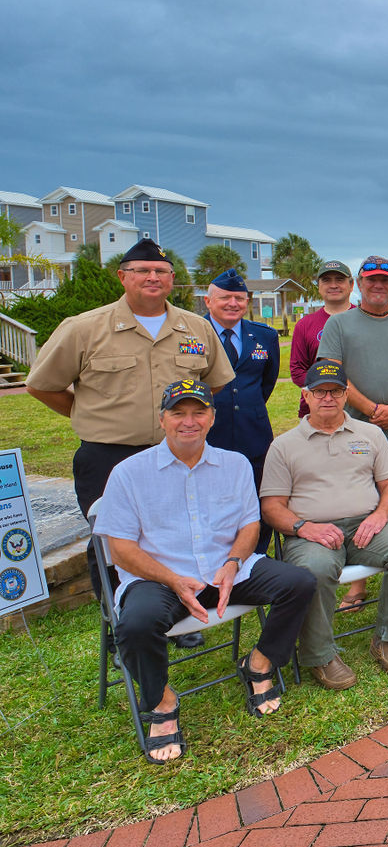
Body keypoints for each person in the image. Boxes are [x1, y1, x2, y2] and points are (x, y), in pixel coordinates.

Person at [95, 379, 315, 762]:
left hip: (225, 572)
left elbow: (250, 526)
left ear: (212, 417)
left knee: (299, 583)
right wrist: (173, 580)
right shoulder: (129, 473)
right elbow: (121, 551)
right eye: (178, 413)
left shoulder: (234, 464)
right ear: (162, 419)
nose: (189, 421)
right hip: (161, 579)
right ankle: (161, 702)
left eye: (198, 412)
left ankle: (258, 662)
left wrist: (232, 563)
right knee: (133, 625)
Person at [27, 238, 234, 582]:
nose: (153, 276)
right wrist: (87, 413)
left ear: (171, 279)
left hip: (176, 453)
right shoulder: (84, 328)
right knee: (112, 539)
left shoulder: (196, 327)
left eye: (161, 271)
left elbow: (215, 381)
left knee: (178, 532)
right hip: (109, 455)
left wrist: (183, 420)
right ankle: (119, 619)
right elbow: (41, 385)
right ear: (122, 277)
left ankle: (179, 613)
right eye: (142, 270)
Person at [259, 360, 388, 689]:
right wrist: (304, 527)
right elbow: (271, 507)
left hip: (365, 526)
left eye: (335, 391)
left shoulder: (370, 434)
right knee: (313, 571)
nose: (327, 398)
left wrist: (379, 516)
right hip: (310, 535)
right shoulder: (284, 445)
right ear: (306, 395)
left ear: (346, 395)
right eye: (320, 391)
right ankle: (320, 656)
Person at [317, 257, 388, 595]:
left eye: (384, 280)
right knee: (359, 504)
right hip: (353, 428)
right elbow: (332, 373)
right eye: (371, 280)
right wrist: (371, 409)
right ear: (359, 283)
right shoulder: (339, 325)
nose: (378, 286)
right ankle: (358, 584)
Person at [201, 268, 278, 489]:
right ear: (208, 301)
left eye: (239, 298)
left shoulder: (265, 335)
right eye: (225, 297)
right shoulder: (192, 333)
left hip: (253, 433)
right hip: (209, 434)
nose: (233, 303)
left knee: (256, 497)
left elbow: (267, 382)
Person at [291, 260, 355, 417]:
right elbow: (297, 371)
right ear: (318, 286)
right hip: (317, 409)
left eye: (339, 279)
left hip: (360, 411)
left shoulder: (366, 319)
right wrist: (328, 386)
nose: (333, 285)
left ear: (351, 285)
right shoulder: (305, 324)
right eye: (326, 280)